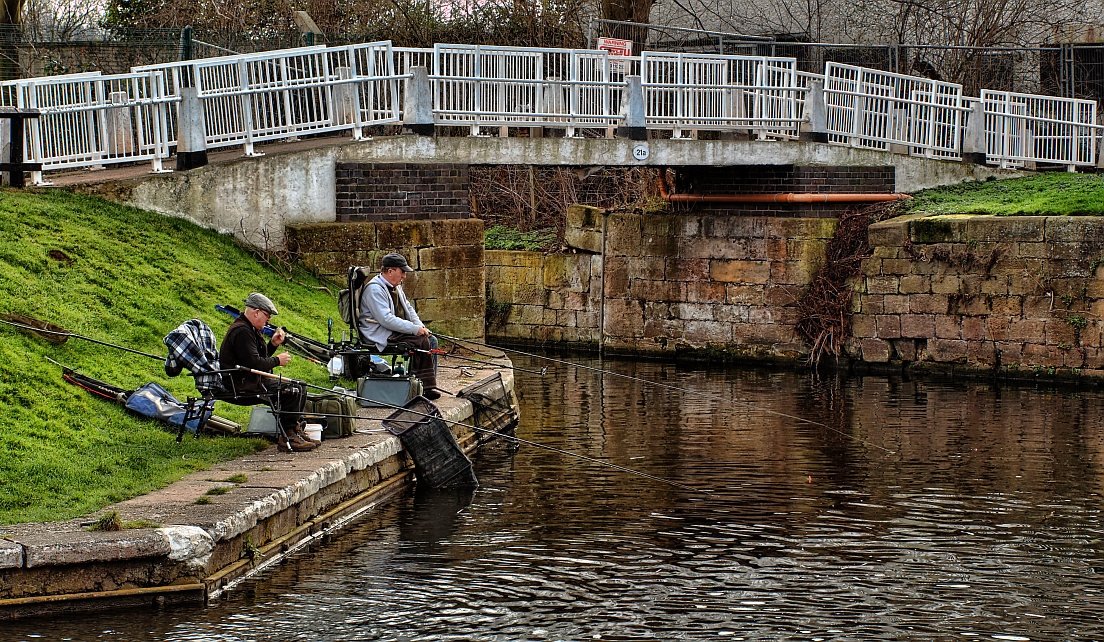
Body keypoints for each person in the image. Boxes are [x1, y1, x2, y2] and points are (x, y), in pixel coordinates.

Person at [218, 292, 318, 452]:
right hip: (241, 384)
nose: (268, 320)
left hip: (250, 380)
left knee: (300, 386)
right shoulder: (242, 331)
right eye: (267, 315)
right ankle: (287, 437)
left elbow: (257, 360)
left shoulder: (249, 328)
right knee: (291, 390)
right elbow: (255, 363)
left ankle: (293, 430)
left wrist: (272, 344)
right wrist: (278, 360)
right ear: (256, 312)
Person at [357, 253, 442, 400]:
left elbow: (408, 309)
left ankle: (425, 385)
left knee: (430, 339)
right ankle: (418, 387)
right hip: (380, 333)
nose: (404, 276)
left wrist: (420, 326)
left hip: (392, 331)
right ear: (390, 271)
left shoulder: (396, 286)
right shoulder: (375, 289)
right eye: (402, 272)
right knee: (422, 342)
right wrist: (414, 330)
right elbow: (386, 320)